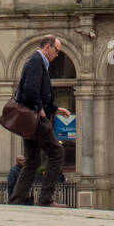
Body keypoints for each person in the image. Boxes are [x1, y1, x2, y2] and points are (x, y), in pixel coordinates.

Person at [8, 35, 72, 207]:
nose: (58, 55)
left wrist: (55, 108)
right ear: (48, 47)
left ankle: (17, 200)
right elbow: (30, 89)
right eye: (57, 50)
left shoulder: (40, 62)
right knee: (57, 152)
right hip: (35, 118)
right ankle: (45, 198)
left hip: (31, 117)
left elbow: (41, 90)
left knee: (33, 159)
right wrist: (41, 111)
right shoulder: (36, 61)